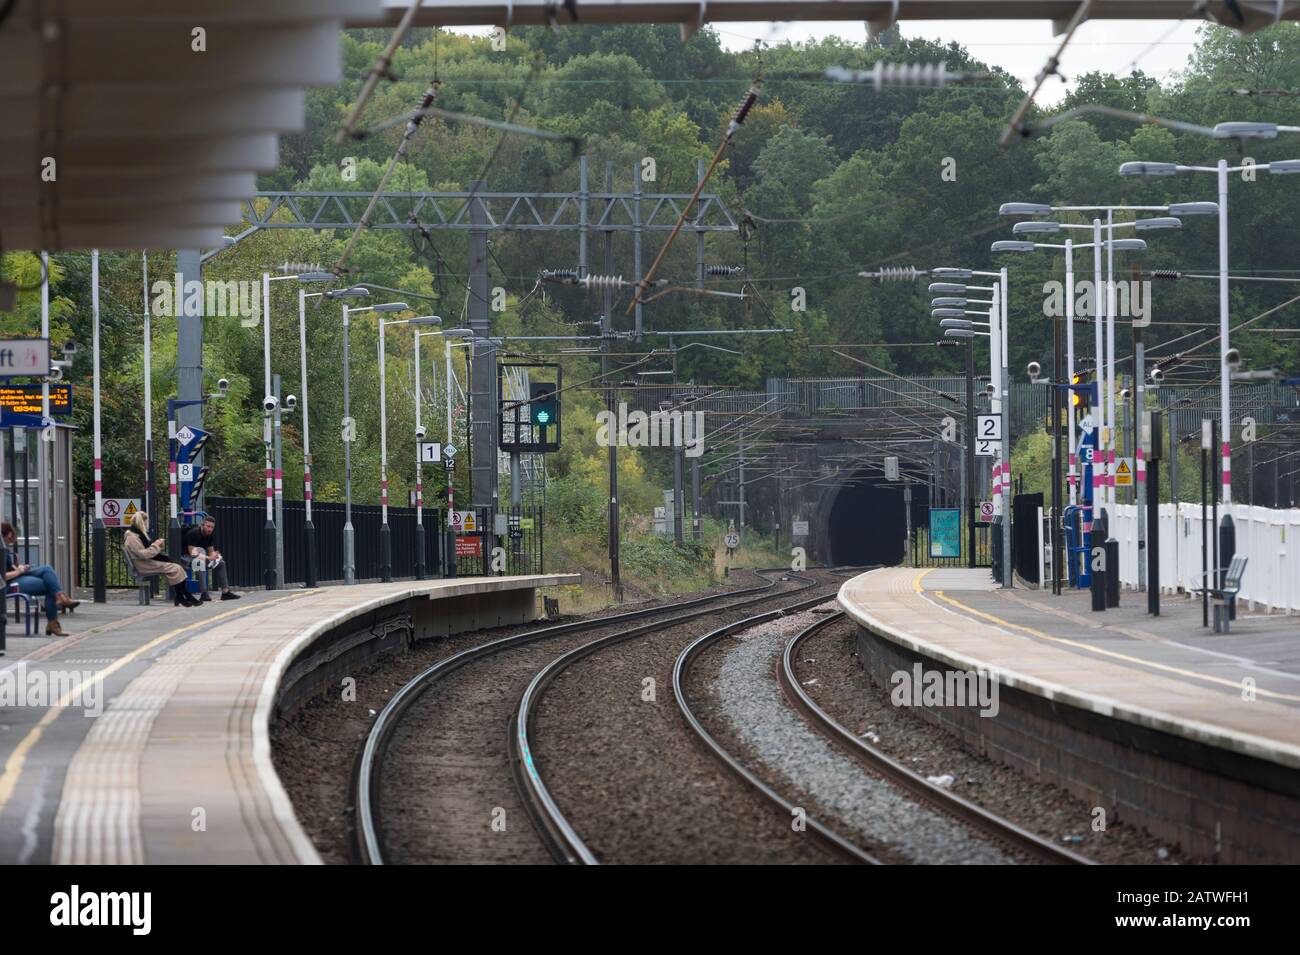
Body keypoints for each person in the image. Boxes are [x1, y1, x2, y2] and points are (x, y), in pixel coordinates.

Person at [1, 522, 79, 636]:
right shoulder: (1, 548)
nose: (10, 543)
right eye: (10, 540)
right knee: (49, 586)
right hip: (7, 584)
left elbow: (7, 568)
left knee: (47, 569)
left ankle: (59, 597)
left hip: (15, 577)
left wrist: (19, 568)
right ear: (9, 534)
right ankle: (54, 619)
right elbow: (2, 576)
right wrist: (18, 571)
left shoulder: (3, 547)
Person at [124, 511, 198, 607]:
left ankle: (182, 596)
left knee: (178, 567)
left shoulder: (136, 534)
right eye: (146, 523)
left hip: (145, 562)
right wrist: (156, 545)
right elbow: (143, 554)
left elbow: (146, 551)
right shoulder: (132, 537)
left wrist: (157, 545)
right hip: (142, 564)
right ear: (142, 523)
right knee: (175, 568)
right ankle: (183, 596)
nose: (147, 525)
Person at [183, 516, 240, 601]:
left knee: (221, 563)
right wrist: (209, 557)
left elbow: (210, 551)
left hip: (201, 555)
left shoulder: (209, 535)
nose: (210, 529)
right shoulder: (194, 533)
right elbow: (192, 553)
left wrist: (215, 556)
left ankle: (225, 592)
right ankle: (204, 593)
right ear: (203, 525)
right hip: (187, 558)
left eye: (212, 527)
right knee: (200, 560)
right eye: (208, 526)